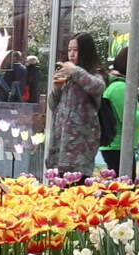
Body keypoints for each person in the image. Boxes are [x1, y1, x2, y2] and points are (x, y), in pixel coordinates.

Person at [46, 32, 105, 177]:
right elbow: (53, 106)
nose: (71, 54)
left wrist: (75, 71)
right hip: (60, 149)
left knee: (78, 193)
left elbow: (98, 87)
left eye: (76, 50)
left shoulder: (93, 75)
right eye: (69, 50)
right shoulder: (66, 76)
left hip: (80, 152)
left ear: (85, 52)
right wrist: (56, 89)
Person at [99, 47, 139, 176]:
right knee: (126, 186)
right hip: (118, 147)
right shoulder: (120, 87)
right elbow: (129, 119)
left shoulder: (116, 86)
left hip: (117, 146)